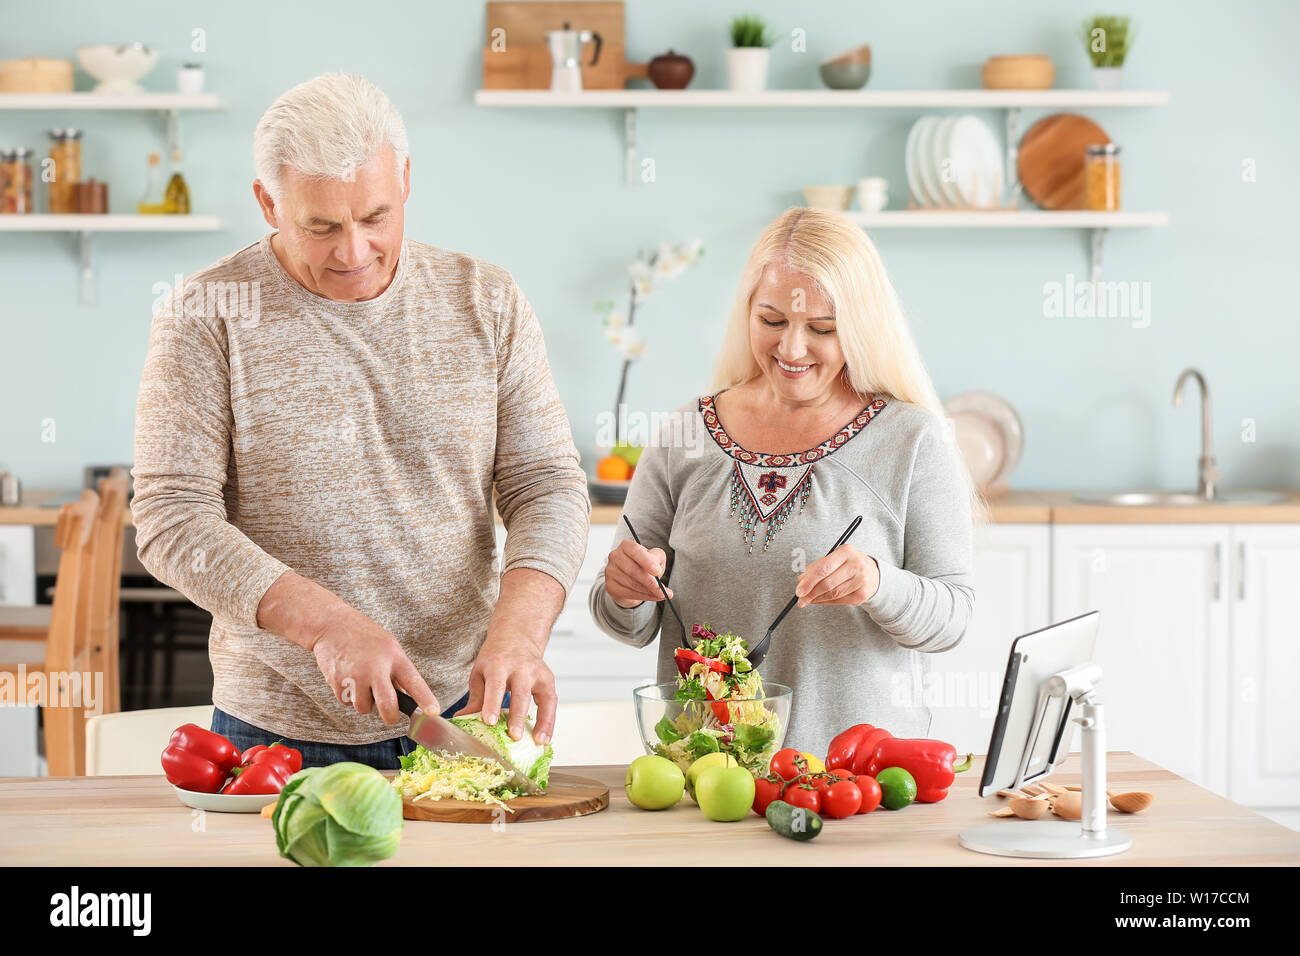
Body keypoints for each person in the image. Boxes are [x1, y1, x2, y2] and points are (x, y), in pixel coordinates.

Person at [132, 74, 589, 770]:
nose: (353, 251)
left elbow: (547, 485)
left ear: (405, 180)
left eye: (375, 216)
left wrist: (520, 633)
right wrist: (324, 624)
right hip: (276, 733)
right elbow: (171, 517)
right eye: (321, 226)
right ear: (267, 203)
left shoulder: (487, 301)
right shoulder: (207, 314)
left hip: (463, 713)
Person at [589, 207, 981, 755]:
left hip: (857, 785)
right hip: (707, 779)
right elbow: (626, 623)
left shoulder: (913, 440)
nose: (791, 349)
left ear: (861, 326)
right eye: (771, 321)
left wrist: (877, 583)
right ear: (746, 311)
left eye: (821, 329)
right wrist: (624, 590)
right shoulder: (684, 433)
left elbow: (952, 619)